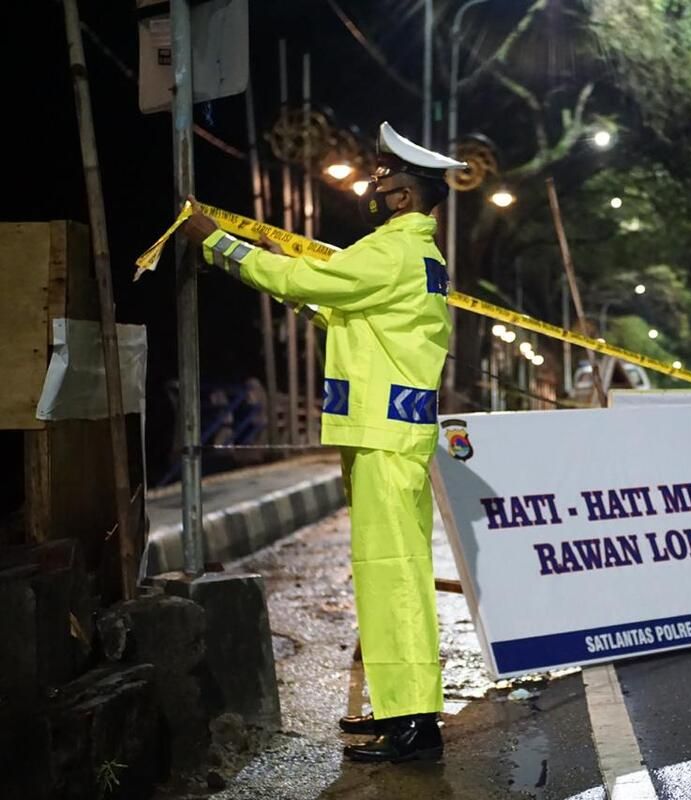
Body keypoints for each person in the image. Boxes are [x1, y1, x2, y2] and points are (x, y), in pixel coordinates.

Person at [178, 122, 466, 763]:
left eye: (383, 176)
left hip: (385, 437)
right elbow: (337, 305)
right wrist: (254, 252)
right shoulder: (415, 256)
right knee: (394, 575)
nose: (373, 184)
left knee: (394, 578)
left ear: (402, 197)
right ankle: (401, 711)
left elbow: (306, 284)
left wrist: (221, 246)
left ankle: (415, 726)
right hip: (390, 432)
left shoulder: (391, 250)